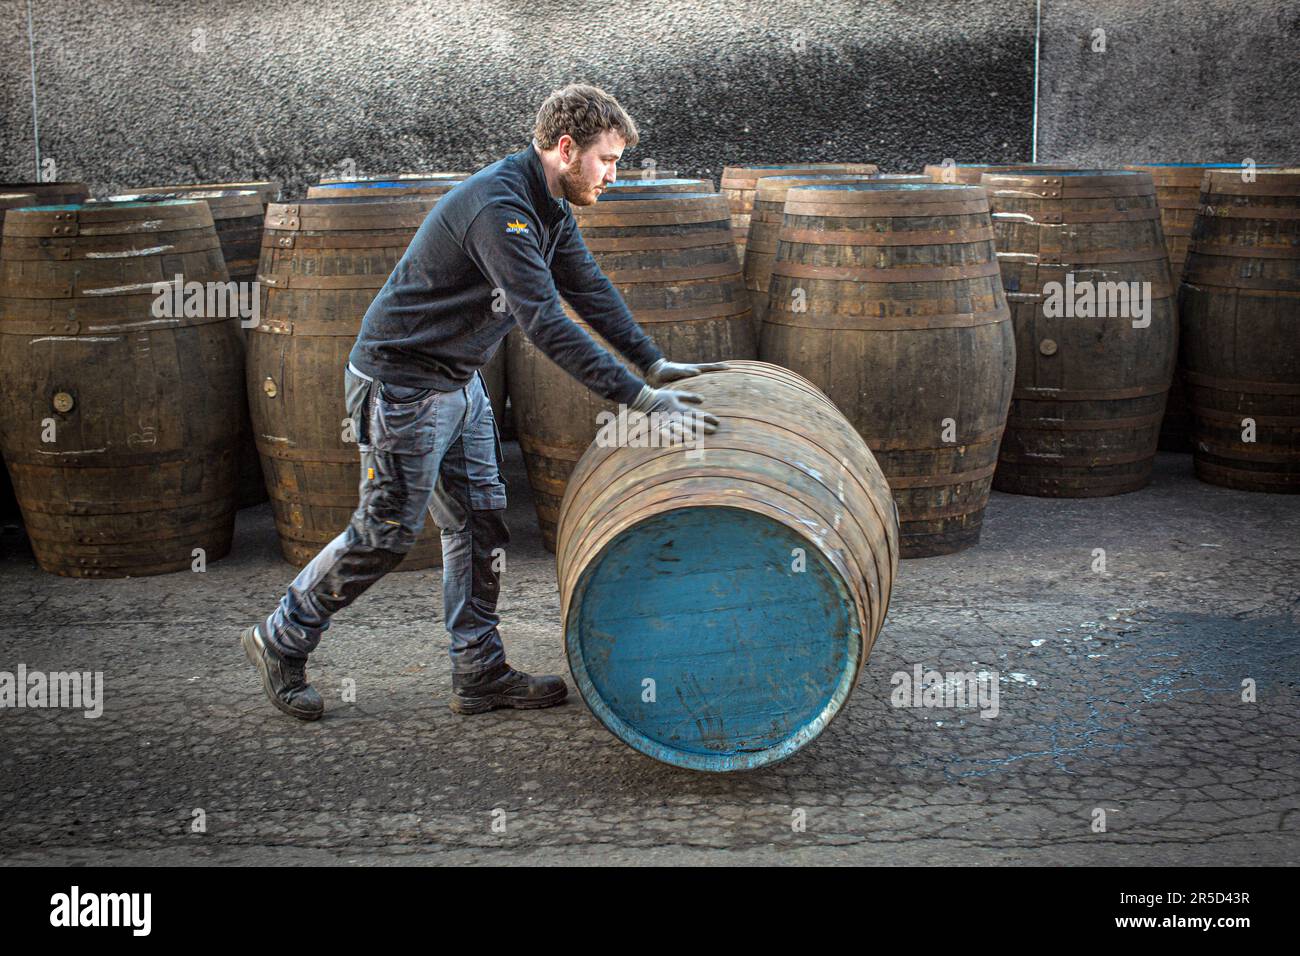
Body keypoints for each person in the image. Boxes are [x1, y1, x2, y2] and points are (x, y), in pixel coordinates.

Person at [241, 83, 724, 720]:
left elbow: (586, 285)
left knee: (481, 521)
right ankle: (281, 638)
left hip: (458, 379)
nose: (614, 174)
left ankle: (479, 671)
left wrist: (652, 361)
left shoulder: (549, 202)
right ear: (566, 148)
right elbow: (546, 322)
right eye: (607, 159)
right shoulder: (501, 209)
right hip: (403, 383)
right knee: (386, 533)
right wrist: (639, 399)